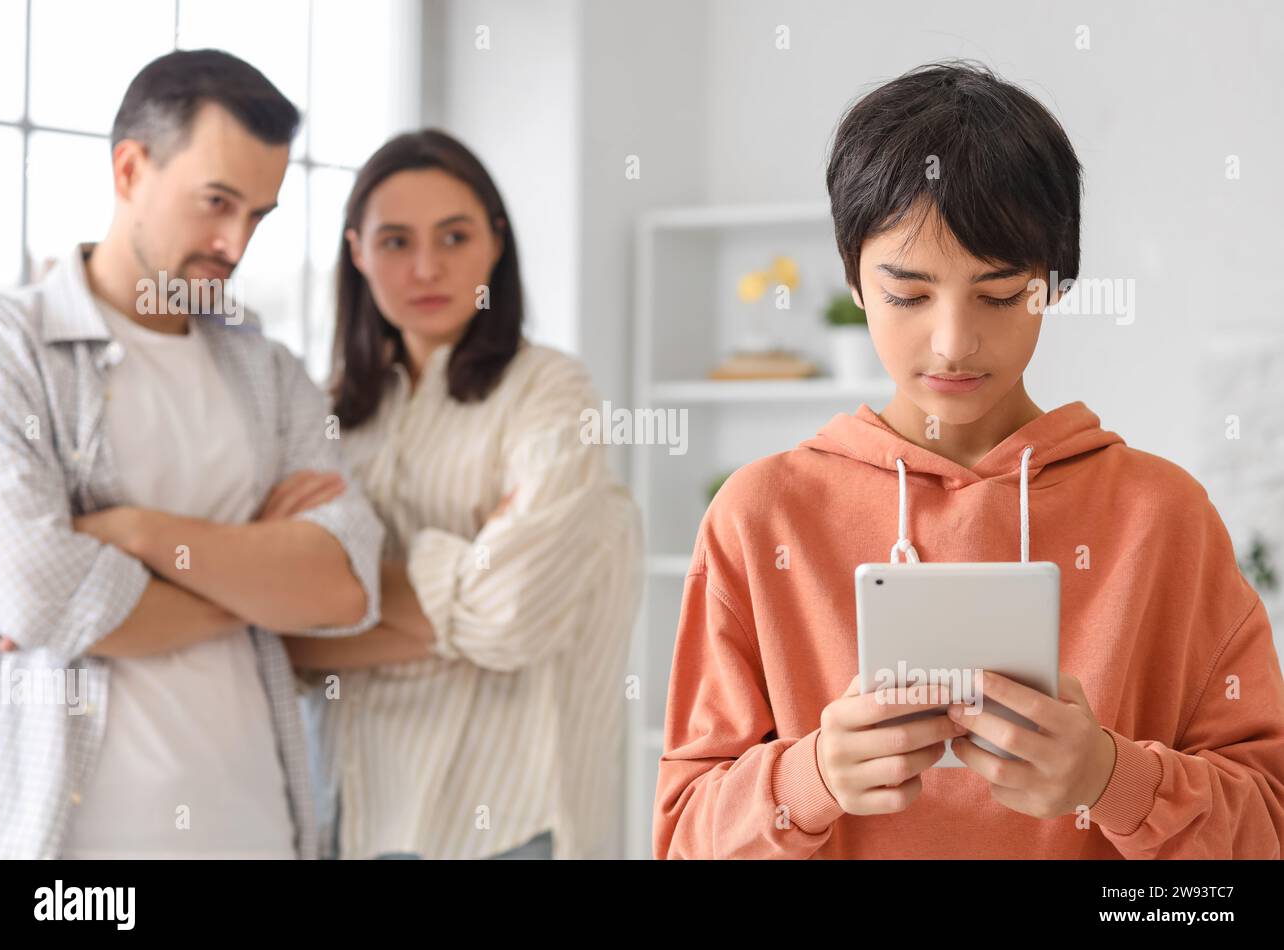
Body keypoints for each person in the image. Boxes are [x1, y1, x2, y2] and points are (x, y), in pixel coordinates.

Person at [653, 61, 1284, 859]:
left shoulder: (1165, 516)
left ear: (1055, 283)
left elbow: (1266, 830)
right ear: (854, 281)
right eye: (909, 295)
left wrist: (1112, 779)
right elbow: (682, 839)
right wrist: (808, 780)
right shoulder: (759, 517)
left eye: (999, 294)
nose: (953, 342)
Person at [0, 49, 383, 859]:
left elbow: (344, 586)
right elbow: (34, 593)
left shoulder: (268, 371)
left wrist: (132, 533)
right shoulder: (8, 348)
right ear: (130, 170)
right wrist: (255, 583)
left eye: (258, 215)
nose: (234, 243)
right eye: (216, 202)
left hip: (260, 832)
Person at [282, 130, 644, 860]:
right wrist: (470, 568)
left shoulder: (550, 391)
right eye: (395, 241)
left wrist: (352, 593)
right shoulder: (322, 411)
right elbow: (286, 635)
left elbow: (510, 620)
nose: (426, 268)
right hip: (351, 810)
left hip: (506, 820)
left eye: (454, 236)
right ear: (357, 252)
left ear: (495, 242)